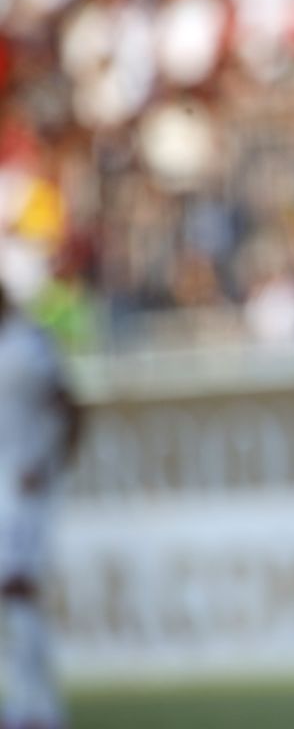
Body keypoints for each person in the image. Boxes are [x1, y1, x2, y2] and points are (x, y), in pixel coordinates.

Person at [0, 283, 79, 729]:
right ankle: (31, 704)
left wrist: (47, 462)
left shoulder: (29, 344)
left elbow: (70, 405)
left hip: (24, 488)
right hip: (1, 485)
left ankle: (39, 710)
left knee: (16, 588)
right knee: (15, 601)